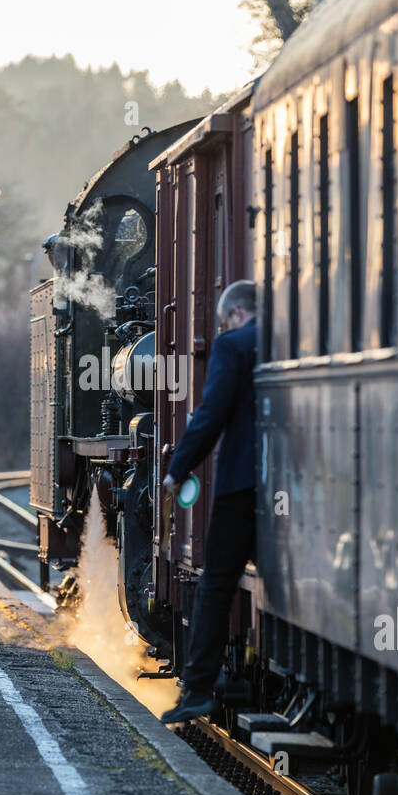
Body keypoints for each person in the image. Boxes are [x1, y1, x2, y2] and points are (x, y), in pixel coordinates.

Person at [159, 280, 258, 725]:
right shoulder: (292, 341)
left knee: (218, 584)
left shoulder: (235, 346)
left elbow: (210, 416)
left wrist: (177, 470)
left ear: (235, 314)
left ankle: (197, 689)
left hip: (242, 486)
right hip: (296, 490)